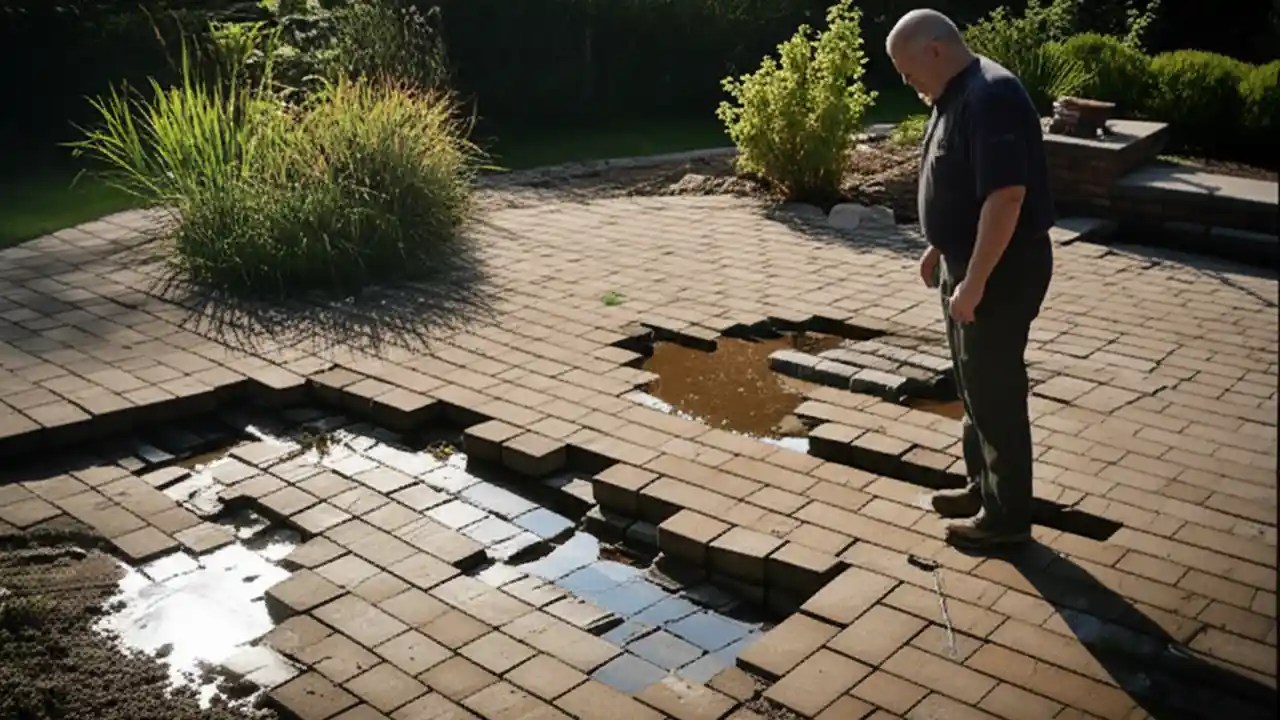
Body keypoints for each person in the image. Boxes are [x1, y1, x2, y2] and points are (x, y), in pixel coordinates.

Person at [885, 9, 1055, 550]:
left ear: (935, 50)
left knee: (995, 387)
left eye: (907, 70)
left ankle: (1007, 520)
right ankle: (981, 485)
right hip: (970, 262)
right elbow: (963, 181)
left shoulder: (991, 97)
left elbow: (1006, 197)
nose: (906, 82)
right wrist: (940, 245)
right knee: (972, 381)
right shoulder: (956, 91)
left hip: (1001, 270)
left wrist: (976, 280)